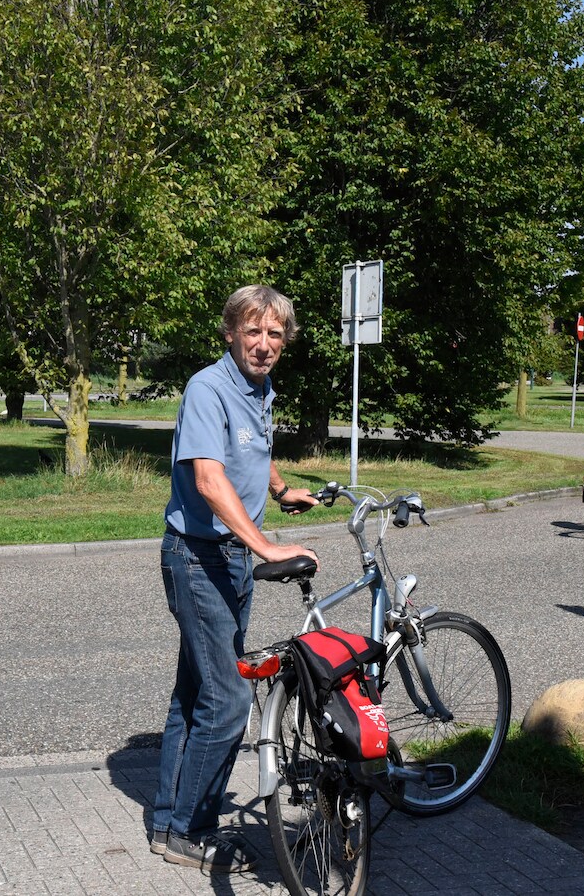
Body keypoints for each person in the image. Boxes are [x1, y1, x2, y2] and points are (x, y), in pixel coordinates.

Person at [152, 284, 319, 874]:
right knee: (226, 702)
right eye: (254, 331)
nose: (264, 344)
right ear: (230, 332)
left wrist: (280, 489)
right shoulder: (207, 387)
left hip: (228, 560)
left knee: (196, 694)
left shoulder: (259, 389)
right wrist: (266, 544)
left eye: (275, 334)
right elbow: (208, 479)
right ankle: (188, 831)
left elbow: (250, 449)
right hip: (200, 557)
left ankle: (168, 818)